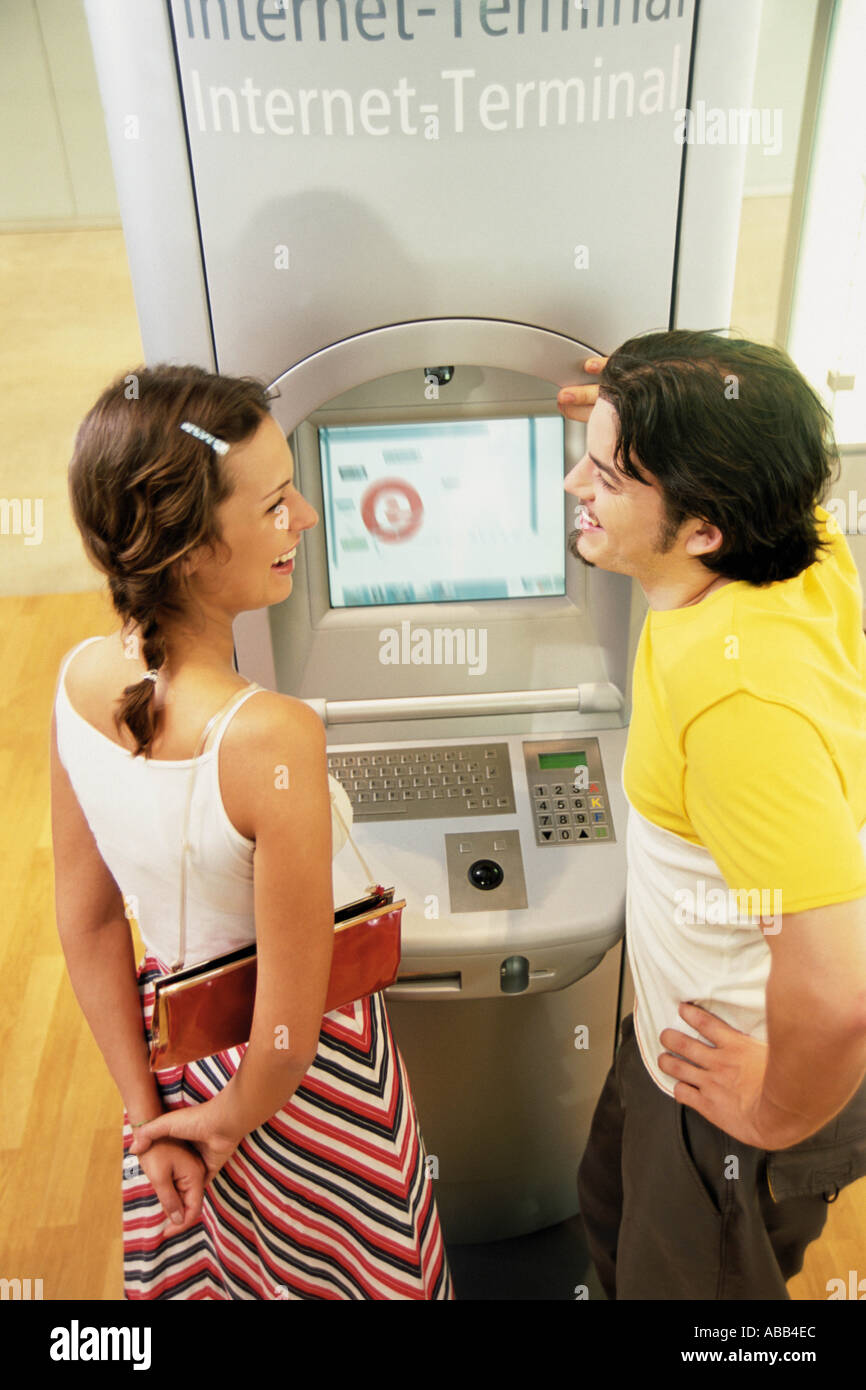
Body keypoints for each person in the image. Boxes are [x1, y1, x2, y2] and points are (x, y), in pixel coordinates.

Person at [49, 364, 454, 1300]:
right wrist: (230, 1124)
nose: (306, 519)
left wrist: (151, 1119)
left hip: (171, 1057)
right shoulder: (270, 734)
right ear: (190, 549)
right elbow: (288, 1022)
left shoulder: (75, 680)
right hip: (297, 1096)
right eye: (275, 505)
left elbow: (90, 923)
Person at [557, 333, 866, 1300]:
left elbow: (839, 993)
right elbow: (772, 422)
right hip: (674, 1044)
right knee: (610, 1217)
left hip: (736, 1087)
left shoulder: (741, 713)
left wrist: (773, 1115)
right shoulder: (801, 538)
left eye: (606, 475)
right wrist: (655, 395)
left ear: (702, 532)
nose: (575, 484)